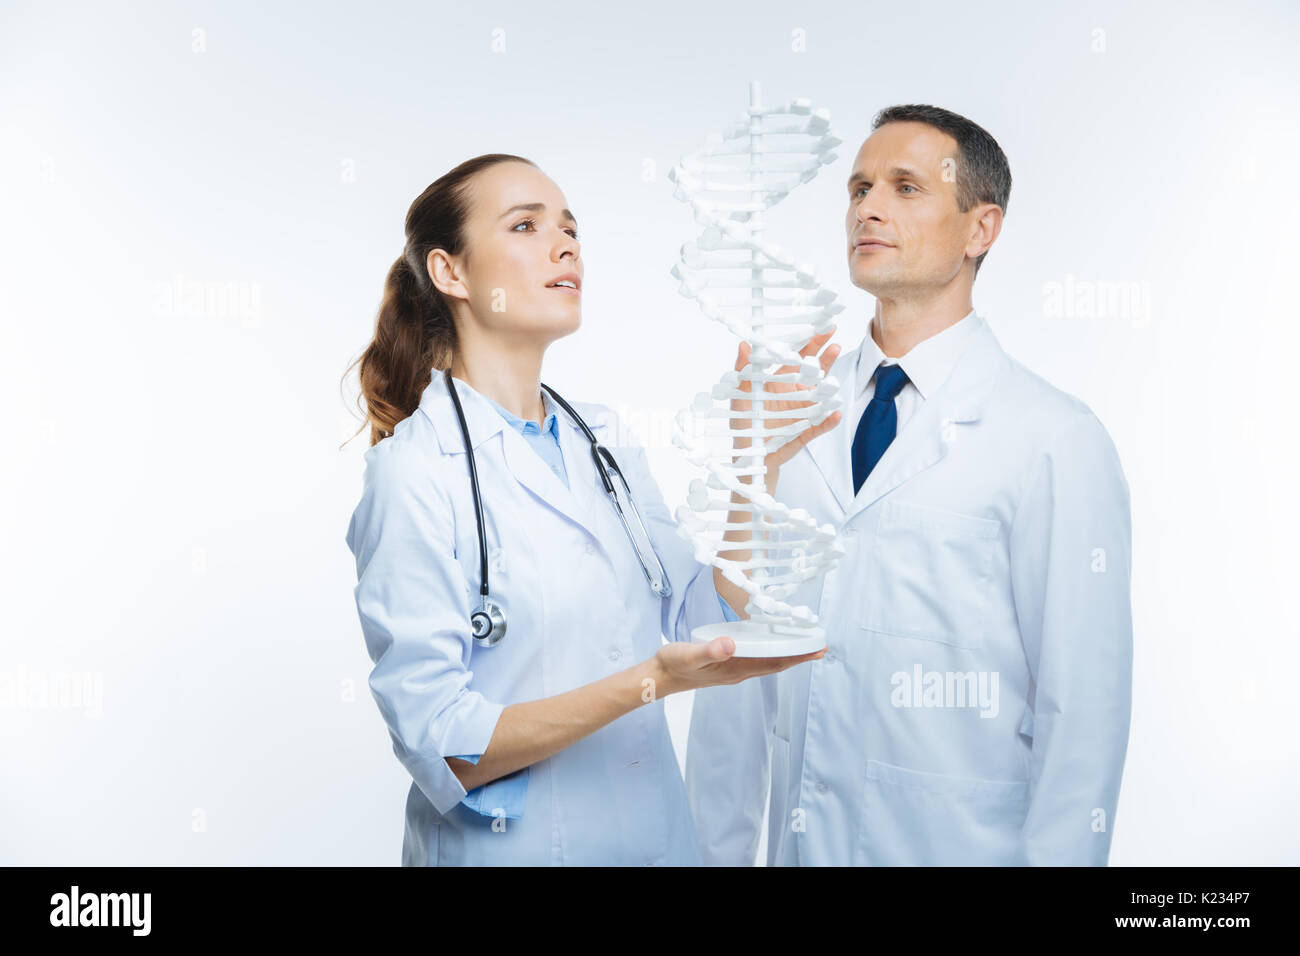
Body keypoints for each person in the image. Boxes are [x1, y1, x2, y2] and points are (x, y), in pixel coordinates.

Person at [342, 153, 835, 866]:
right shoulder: (414, 472)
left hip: (656, 841)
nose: (565, 244)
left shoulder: (601, 437)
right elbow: (444, 745)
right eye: (526, 225)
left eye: (570, 228)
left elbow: (701, 613)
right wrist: (652, 683)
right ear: (450, 273)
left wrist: (756, 460)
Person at [686, 105, 1133, 866]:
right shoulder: (782, 418)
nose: (868, 206)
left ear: (980, 230)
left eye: (905, 187)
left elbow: (1082, 713)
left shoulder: (1053, 438)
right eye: (859, 187)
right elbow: (737, 667)